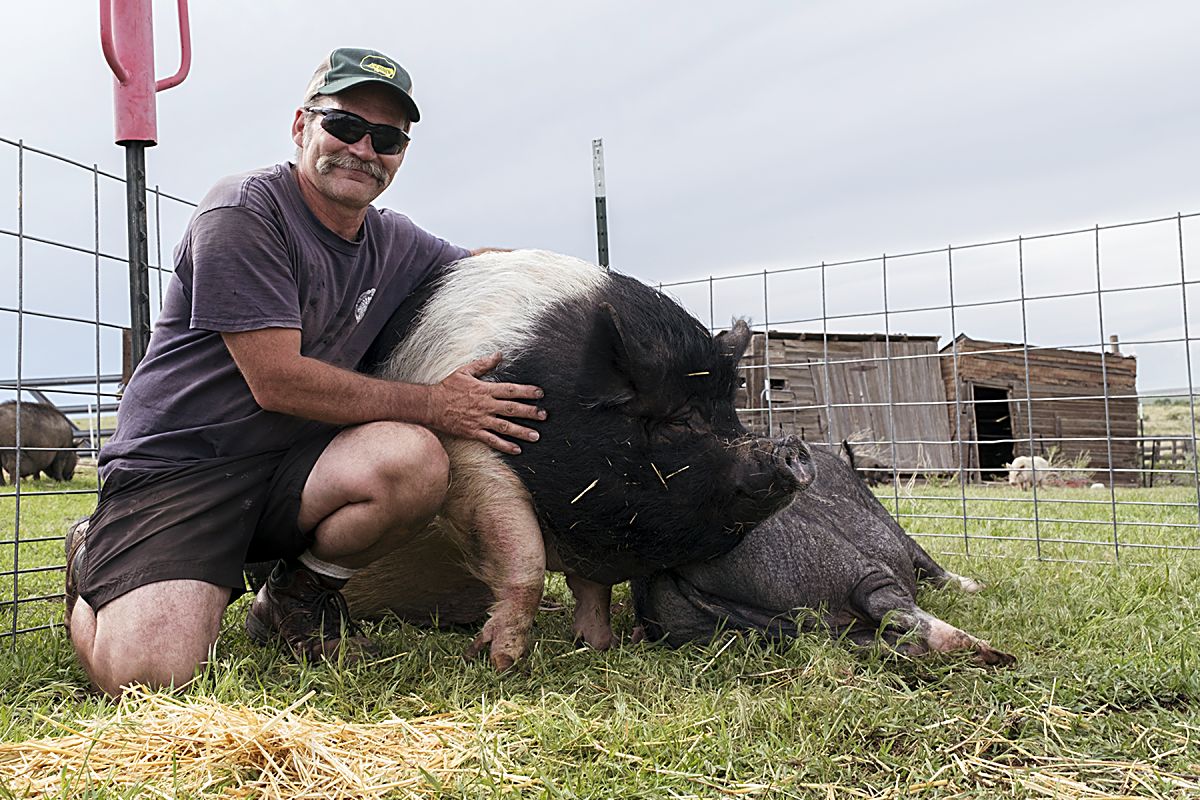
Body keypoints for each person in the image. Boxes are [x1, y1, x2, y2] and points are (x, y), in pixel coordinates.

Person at [65, 47, 545, 697]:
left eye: (386, 138)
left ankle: (295, 596)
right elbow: (278, 381)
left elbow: (481, 267)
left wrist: (580, 290)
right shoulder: (243, 212)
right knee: (152, 678)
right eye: (345, 126)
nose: (363, 149)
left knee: (414, 459)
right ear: (301, 126)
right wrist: (434, 402)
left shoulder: (394, 241)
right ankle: (99, 553)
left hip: (290, 470)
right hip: (183, 468)